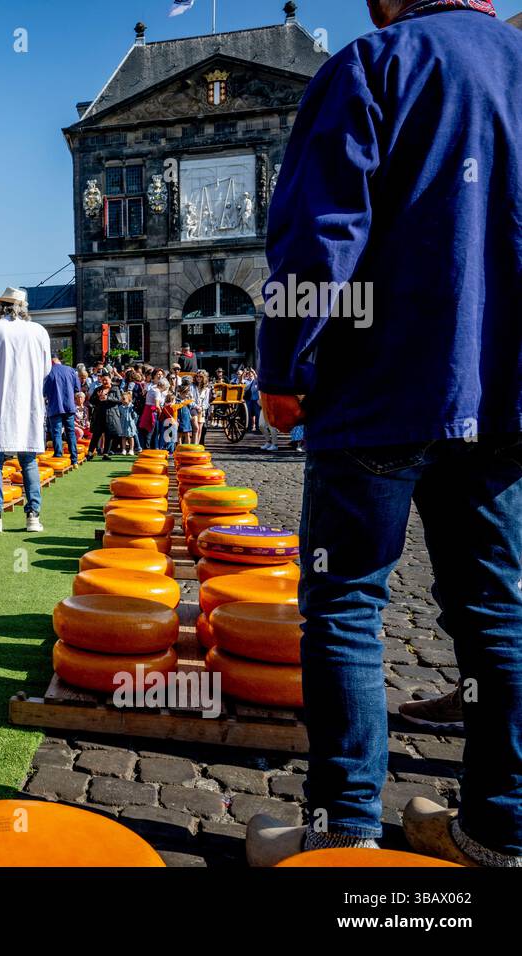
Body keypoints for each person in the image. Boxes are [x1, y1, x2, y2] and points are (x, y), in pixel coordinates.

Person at [246, 0, 522, 869]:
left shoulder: (377, 64)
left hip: (380, 390)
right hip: (506, 393)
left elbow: (320, 239)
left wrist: (286, 368)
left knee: (347, 604)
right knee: (498, 615)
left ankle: (344, 828)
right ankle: (502, 832)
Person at [0, 287, 50, 533]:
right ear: (23, 308)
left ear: (0, 307)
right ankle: (33, 517)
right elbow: (45, 369)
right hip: (28, 403)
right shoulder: (38, 331)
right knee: (29, 461)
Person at [43, 353, 79, 464]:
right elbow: (77, 388)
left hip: (55, 407)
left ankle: (59, 456)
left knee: (56, 433)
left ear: (51, 361)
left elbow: (44, 392)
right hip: (69, 406)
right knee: (71, 432)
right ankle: (74, 458)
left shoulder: (48, 373)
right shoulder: (71, 370)